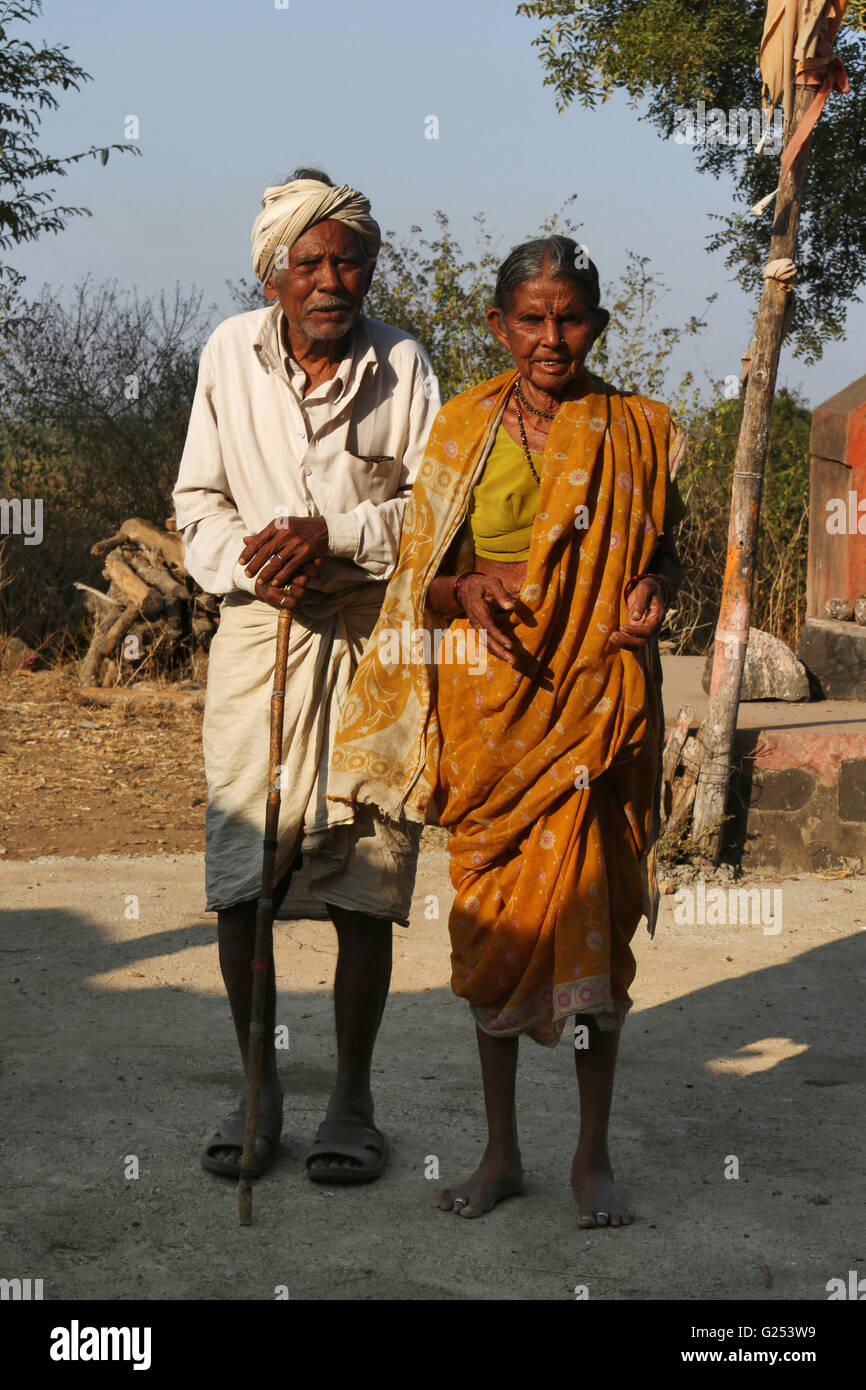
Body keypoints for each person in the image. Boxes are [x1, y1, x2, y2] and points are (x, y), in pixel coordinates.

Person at [329, 235, 685, 1225]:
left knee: (588, 951)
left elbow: (662, 556)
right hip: (489, 719)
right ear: (498, 327)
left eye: (568, 318)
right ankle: (499, 1152)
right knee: (492, 939)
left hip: (592, 712)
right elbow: (417, 584)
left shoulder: (639, 429)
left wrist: (651, 592)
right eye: (529, 319)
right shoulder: (460, 429)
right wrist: (463, 586)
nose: (549, 338)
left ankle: (589, 1157)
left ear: (597, 325)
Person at [172, 169, 440, 1184]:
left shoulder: (402, 363)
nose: (330, 279)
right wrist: (254, 556)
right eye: (309, 261)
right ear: (275, 273)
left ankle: (352, 1102)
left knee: (365, 876)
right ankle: (256, 1088)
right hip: (256, 638)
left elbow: (432, 513)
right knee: (243, 869)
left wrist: (328, 533)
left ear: (367, 269)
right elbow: (197, 503)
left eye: (348, 260)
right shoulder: (225, 358)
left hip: (371, 641)